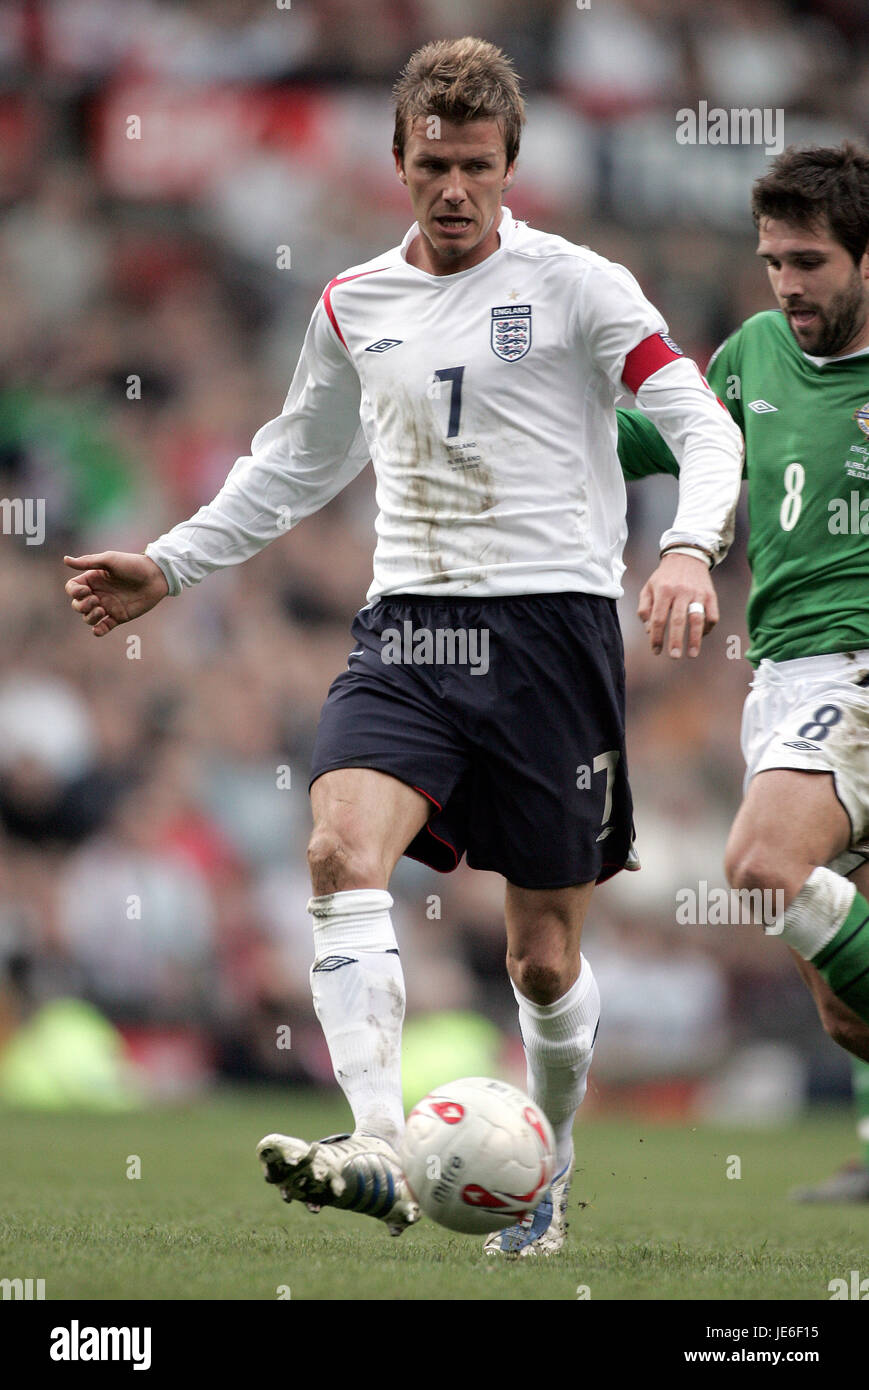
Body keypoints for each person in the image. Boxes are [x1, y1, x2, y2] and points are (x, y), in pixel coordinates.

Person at [64, 37, 742, 1256]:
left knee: (539, 960)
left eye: (475, 166)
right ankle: (374, 1139)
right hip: (409, 628)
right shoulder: (350, 305)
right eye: (431, 163)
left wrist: (688, 546)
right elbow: (291, 465)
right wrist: (169, 563)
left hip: (553, 634)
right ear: (396, 159)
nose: (451, 189)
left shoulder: (582, 284)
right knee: (335, 847)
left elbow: (697, 421)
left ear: (510, 163)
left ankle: (547, 1168)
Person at [619, 142, 869, 1093]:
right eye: (772, 262)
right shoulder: (755, 351)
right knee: (847, 1015)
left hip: (854, 670)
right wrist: (535, 430)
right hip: (779, 682)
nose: (785, 285)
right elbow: (665, 437)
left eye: (808, 263)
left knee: (763, 862)